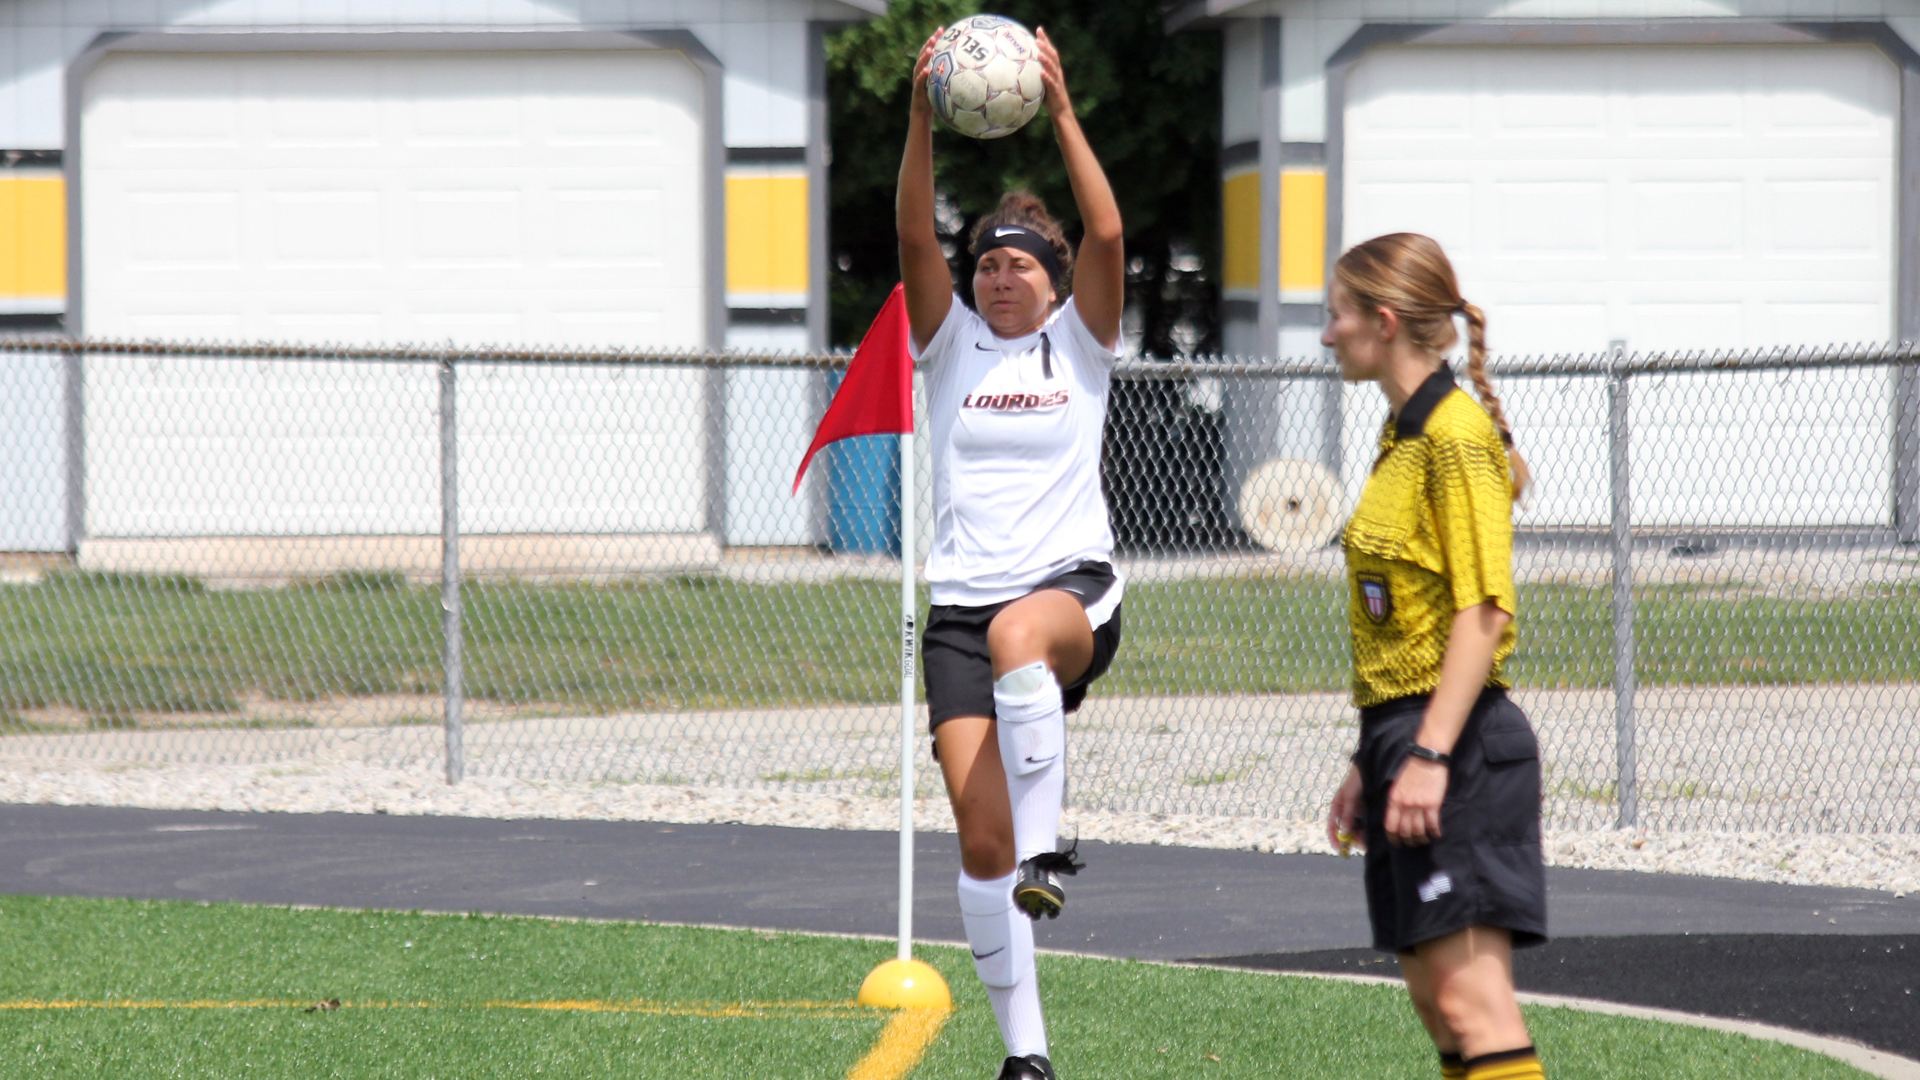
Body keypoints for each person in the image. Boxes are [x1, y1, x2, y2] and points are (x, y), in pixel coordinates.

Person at [897, 23, 1125, 1080]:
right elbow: (912, 238)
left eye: (1017, 266)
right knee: (980, 846)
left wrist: (1064, 110)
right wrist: (919, 117)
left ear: (1052, 281)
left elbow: (1108, 231)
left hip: (1068, 593)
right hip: (958, 614)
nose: (998, 279)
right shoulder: (949, 345)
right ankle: (1026, 1058)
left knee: (1019, 633)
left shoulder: (1077, 342)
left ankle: (1049, 846)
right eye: (985, 265)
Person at [1322, 233, 1549, 1080]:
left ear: (1383, 321)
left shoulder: (1454, 434)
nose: (1327, 335)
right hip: (1404, 735)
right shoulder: (1404, 432)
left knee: (1471, 1004)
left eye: (1337, 315)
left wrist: (1428, 753)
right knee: (1434, 999)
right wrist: (1372, 758)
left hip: (1458, 747)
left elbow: (1483, 611)